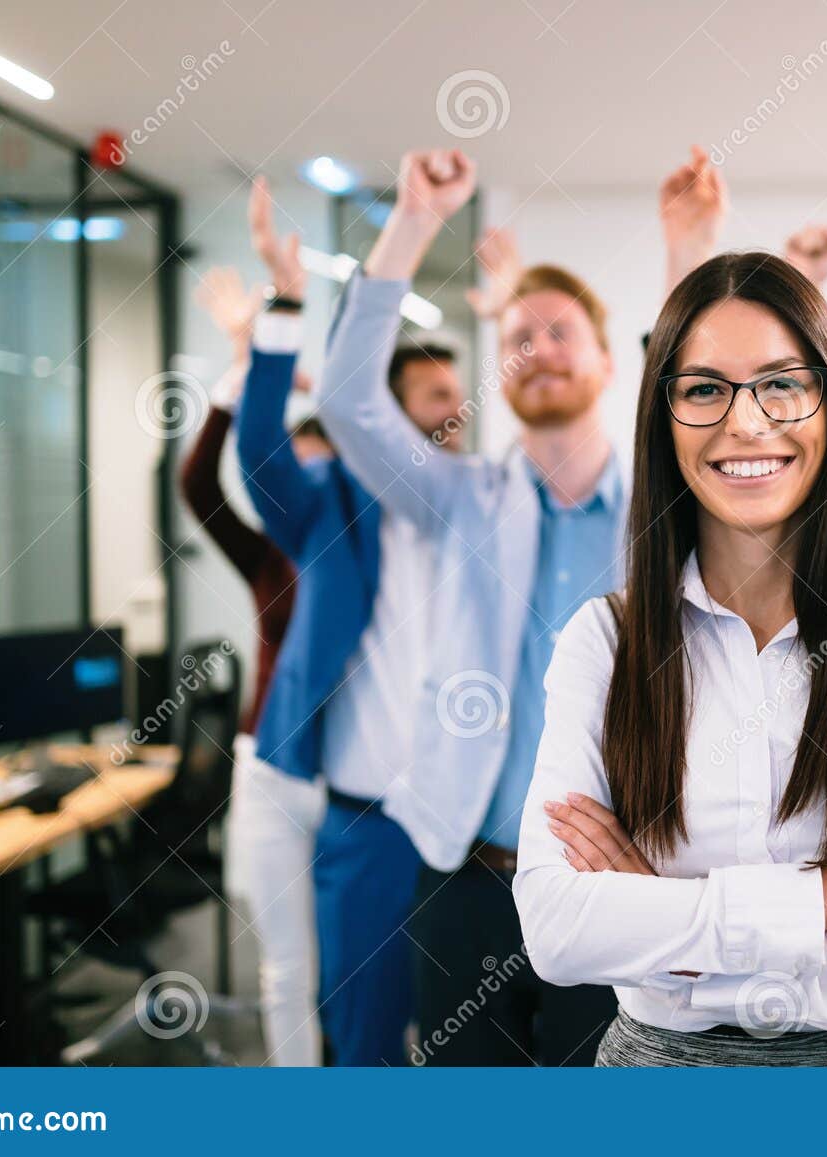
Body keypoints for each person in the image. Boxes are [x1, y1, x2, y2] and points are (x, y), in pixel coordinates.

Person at [513, 251, 827, 1066]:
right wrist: (824, 901)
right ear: (664, 416)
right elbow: (556, 929)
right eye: (705, 388)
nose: (746, 423)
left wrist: (670, 938)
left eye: (783, 382)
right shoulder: (602, 641)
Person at [314, 148, 621, 1066]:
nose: (539, 350)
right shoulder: (460, 496)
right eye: (519, 337)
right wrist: (412, 221)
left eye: (562, 330)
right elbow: (346, 401)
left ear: (610, 359)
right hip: (465, 877)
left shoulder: (665, 510)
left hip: (616, 889)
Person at [233, 178, 464, 1066]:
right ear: (382, 415)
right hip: (366, 816)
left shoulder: (481, 508)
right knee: (364, 1034)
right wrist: (285, 303)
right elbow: (259, 448)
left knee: (460, 1035)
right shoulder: (326, 501)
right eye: (430, 396)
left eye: (455, 394)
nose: (450, 410)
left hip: (468, 823)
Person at [183, 265, 329, 1068]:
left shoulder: (373, 553)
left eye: (315, 471)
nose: (298, 487)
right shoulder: (268, 554)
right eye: (288, 472)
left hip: (349, 767)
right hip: (268, 763)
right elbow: (198, 484)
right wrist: (242, 369)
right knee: (285, 965)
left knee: (353, 960)